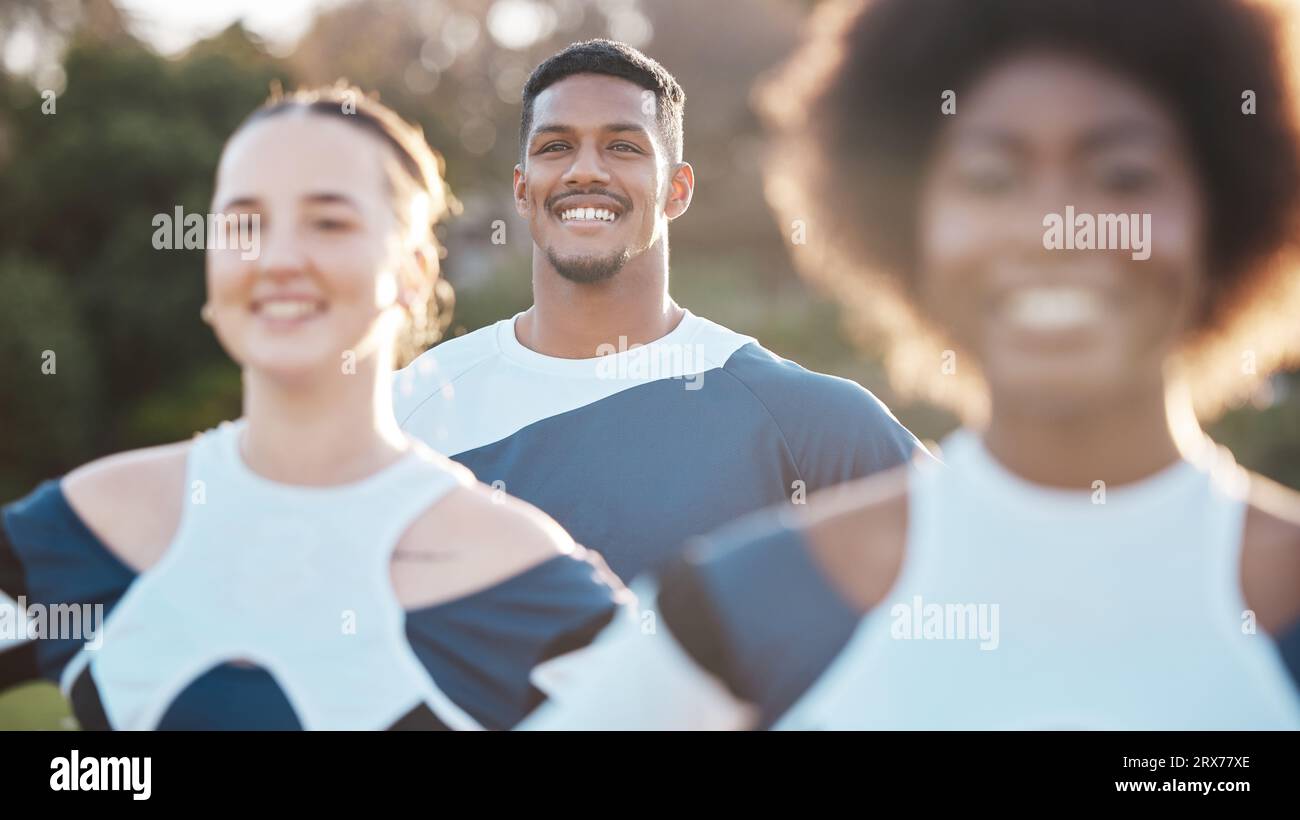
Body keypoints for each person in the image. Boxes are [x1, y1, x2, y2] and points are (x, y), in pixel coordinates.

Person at [520, 0, 1300, 730]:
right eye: (992, 178)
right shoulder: (744, 608)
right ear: (907, 226)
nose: (1054, 226)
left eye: (1123, 176)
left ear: (1226, 207)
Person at [0, 84, 626, 730]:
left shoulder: (516, 574)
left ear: (412, 273)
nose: (278, 260)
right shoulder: (87, 524)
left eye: (328, 222)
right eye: (244, 224)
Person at [394, 39, 926, 582]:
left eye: (623, 147)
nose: (585, 171)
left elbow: (990, 582)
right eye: (555, 146)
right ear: (523, 189)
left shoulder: (815, 425)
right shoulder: (407, 413)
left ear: (677, 189)